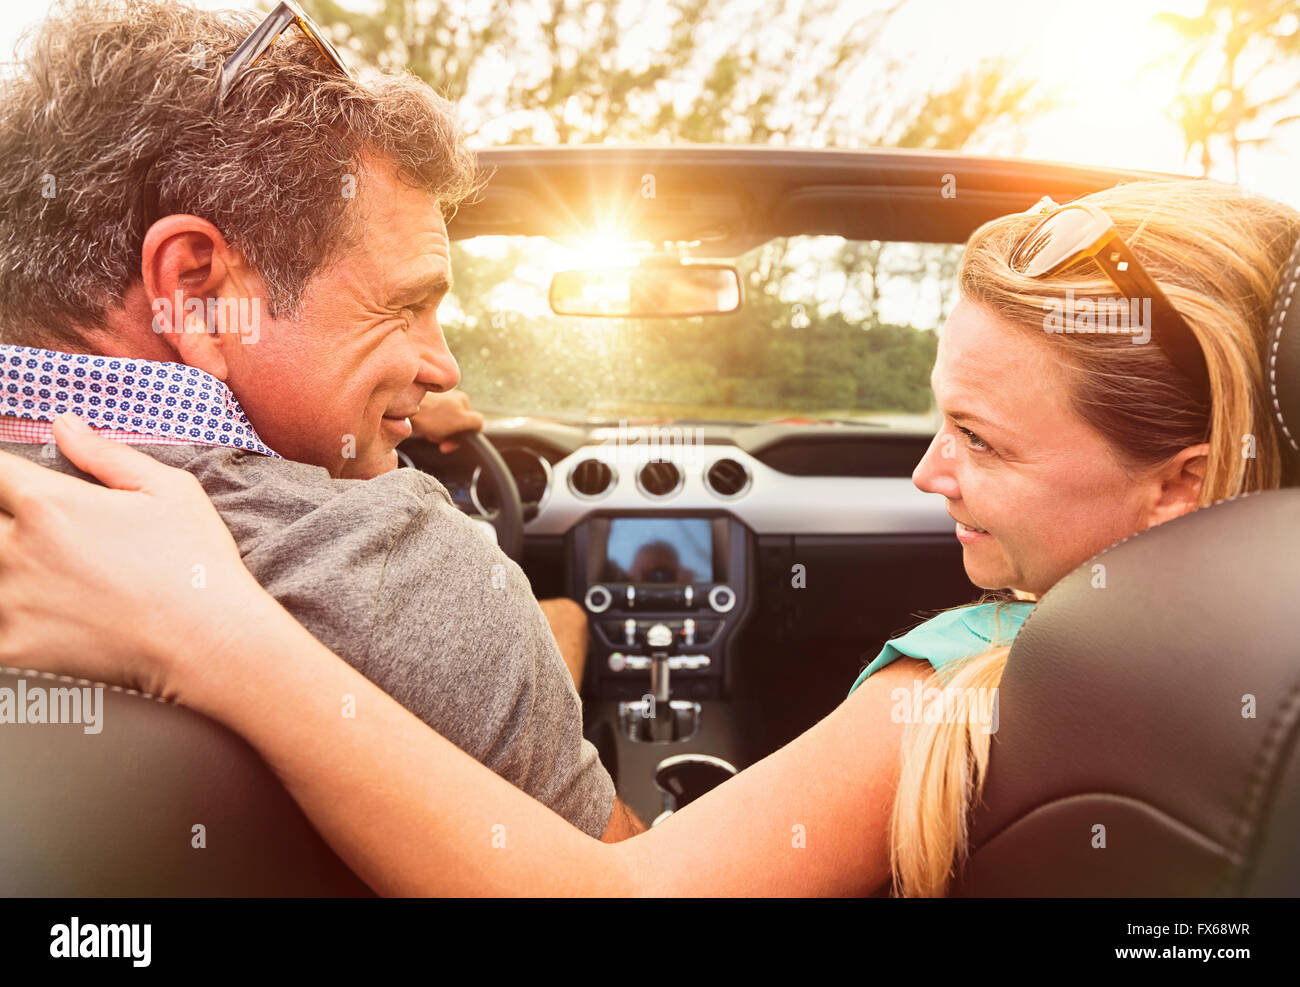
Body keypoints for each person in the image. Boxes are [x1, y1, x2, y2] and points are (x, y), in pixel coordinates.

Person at [3, 177, 1296, 895]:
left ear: (1181, 483)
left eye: (985, 439)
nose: (925, 468)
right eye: (933, 411)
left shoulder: (985, 668)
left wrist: (211, 632)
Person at [0, 0, 637, 841]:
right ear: (194, 289)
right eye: (405, 305)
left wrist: (369, 401)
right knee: (566, 618)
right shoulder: (393, 568)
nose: (442, 365)